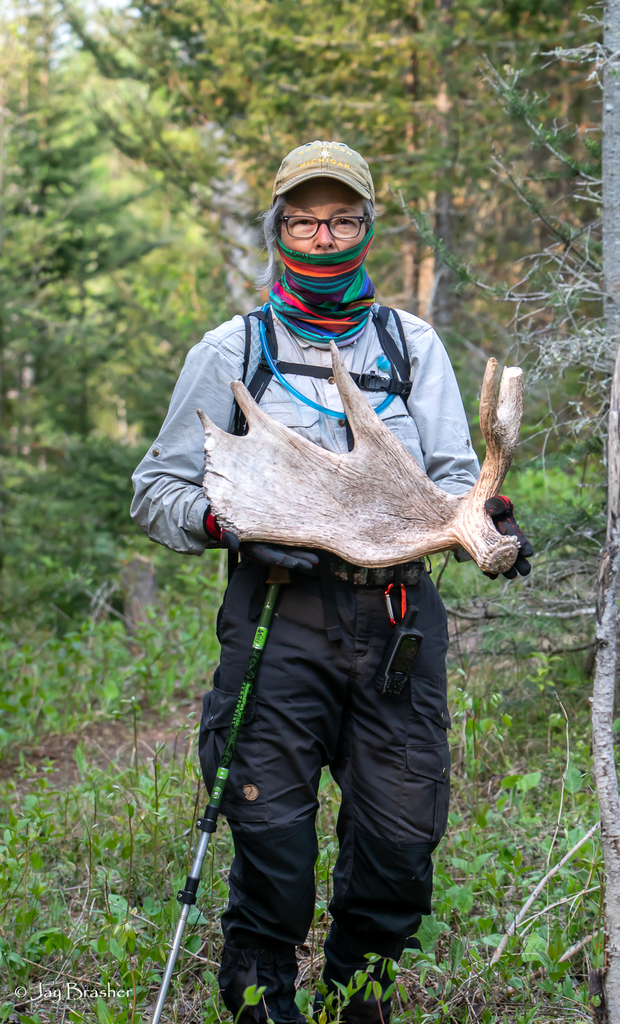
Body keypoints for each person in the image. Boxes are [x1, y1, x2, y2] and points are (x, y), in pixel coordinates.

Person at [131, 140, 533, 1024]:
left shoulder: (409, 344)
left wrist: (487, 524)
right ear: (279, 228)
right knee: (272, 844)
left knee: (398, 847)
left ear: (366, 228)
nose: (323, 236)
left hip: (397, 624)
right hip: (279, 619)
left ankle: (359, 1004)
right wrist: (226, 525)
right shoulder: (233, 346)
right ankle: (262, 1005)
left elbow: (455, 479)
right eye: (305, 220)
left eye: (342, 219)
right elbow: (156, 490)